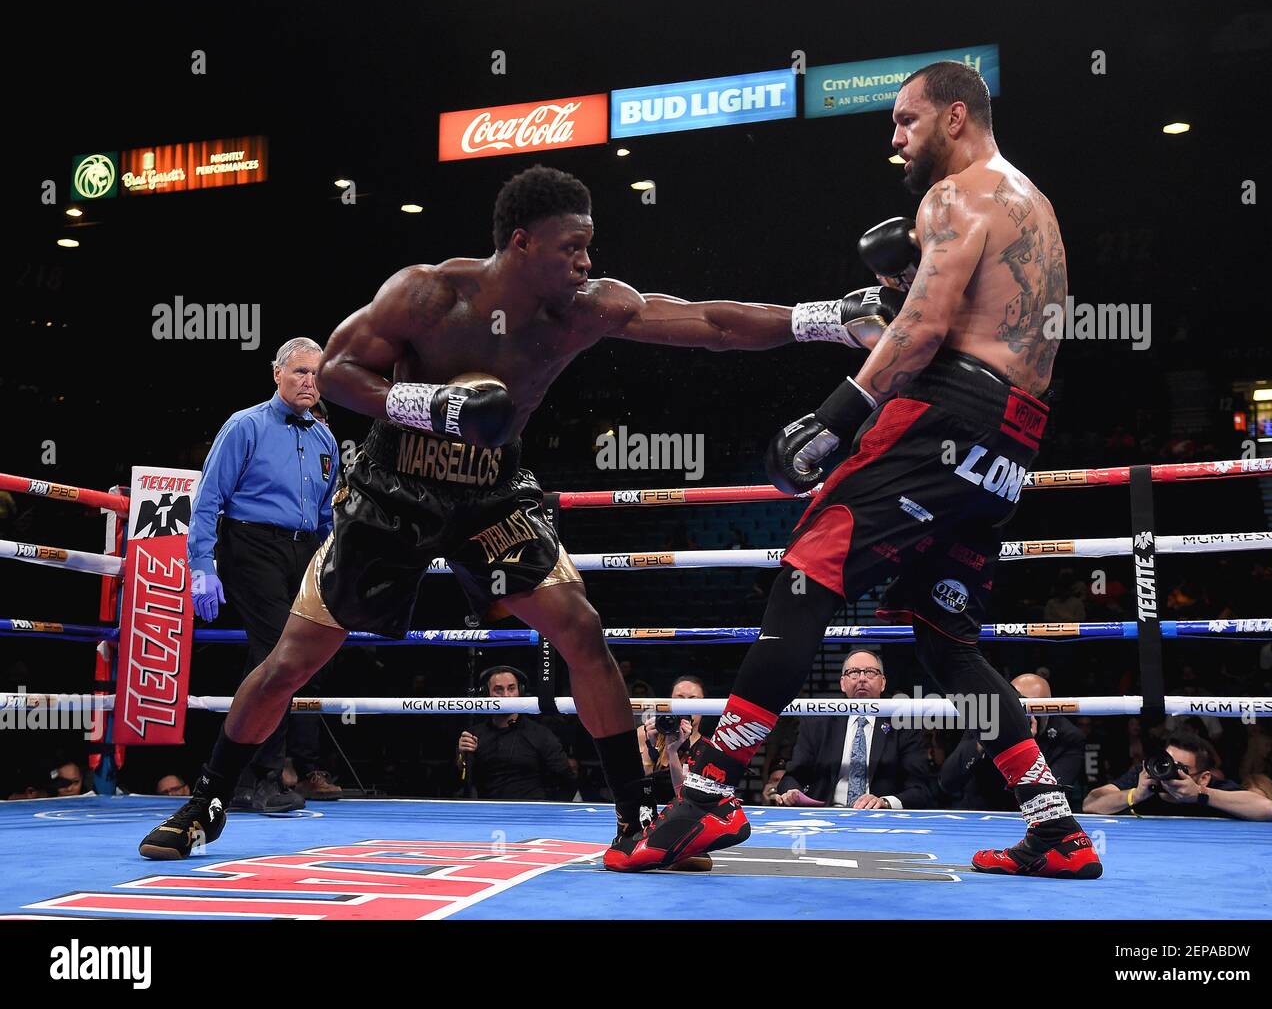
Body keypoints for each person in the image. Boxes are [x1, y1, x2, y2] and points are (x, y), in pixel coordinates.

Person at [140, 163, 893, 860]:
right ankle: (207, 799)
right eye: (572, 248)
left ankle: (633, 818)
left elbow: (708, 323)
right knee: (291, 662)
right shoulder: (427, 294)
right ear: (522, 243)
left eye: (590, 248)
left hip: (493, 493)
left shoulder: (584, 310)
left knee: (582, 628)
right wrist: (432, 406)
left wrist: (826, 318)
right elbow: (335, 370)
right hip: (392, 488)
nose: (586, 264)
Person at [613, 61, 1103, 879]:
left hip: (946, 416)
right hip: (1012, 440)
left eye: (906, 121)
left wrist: (836, 416)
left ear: (954, 116)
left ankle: (705, 799)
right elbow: (1003, 327)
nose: (895, 137)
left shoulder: (953, 195)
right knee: (947, 636)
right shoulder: (1035, 204)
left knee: (808, 569)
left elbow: (922, 328)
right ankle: (1055, 826)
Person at [187, 337, 342, 811]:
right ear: (277, 374)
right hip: (250, 547)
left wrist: (332, 562)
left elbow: (326, 516)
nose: (309, 382)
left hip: (303, 552)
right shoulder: (245, 426)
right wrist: (200, 565)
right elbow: (209, 497)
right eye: (299, 372)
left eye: (317, 374)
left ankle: (234, 777)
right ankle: (262, 777)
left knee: (291, 659)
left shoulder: (324, 439)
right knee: (277, 653)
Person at [771, 648, 932, 808]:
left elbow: (920, 789)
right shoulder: (818, 722)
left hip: (880, 818)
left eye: (870, 672)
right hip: (826, 817)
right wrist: (791, 792)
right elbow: (793, 777)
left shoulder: (903, 722)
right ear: (842, 683)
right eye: (853, 672)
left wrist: (885, 802)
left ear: (883, 682)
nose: (861, 678)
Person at [939, 672, 1084, 810]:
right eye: (1016, 706)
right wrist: (984, 742)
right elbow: (947, 783)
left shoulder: (1068, 736)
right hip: (981, 812)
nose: (1023, 716)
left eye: (1030, 709)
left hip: (1031, 818)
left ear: (1048, 710)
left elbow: (1049, 797)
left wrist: (1023, 747)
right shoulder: (988, 722)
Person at [1082, 732, 1272, 821]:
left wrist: (1201, 794)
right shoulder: (1147, 777)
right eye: (1167, 762)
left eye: (1181, 768)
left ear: (1203, 777)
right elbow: (1090, 804)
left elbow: (1267, 809)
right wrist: (1136, 794)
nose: (1168, 772)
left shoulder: (1208, 787)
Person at [455, 667, 575, 800]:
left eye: (511, 688)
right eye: (498, 690)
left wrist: (547, 814)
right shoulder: (474, 735)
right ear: (486, 694)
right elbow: (461, 783)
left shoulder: (541, 735)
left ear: (520, 691)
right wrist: (462, 757)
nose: (506, 695)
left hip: (532, 814)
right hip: (489, 814)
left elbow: (567, 780)